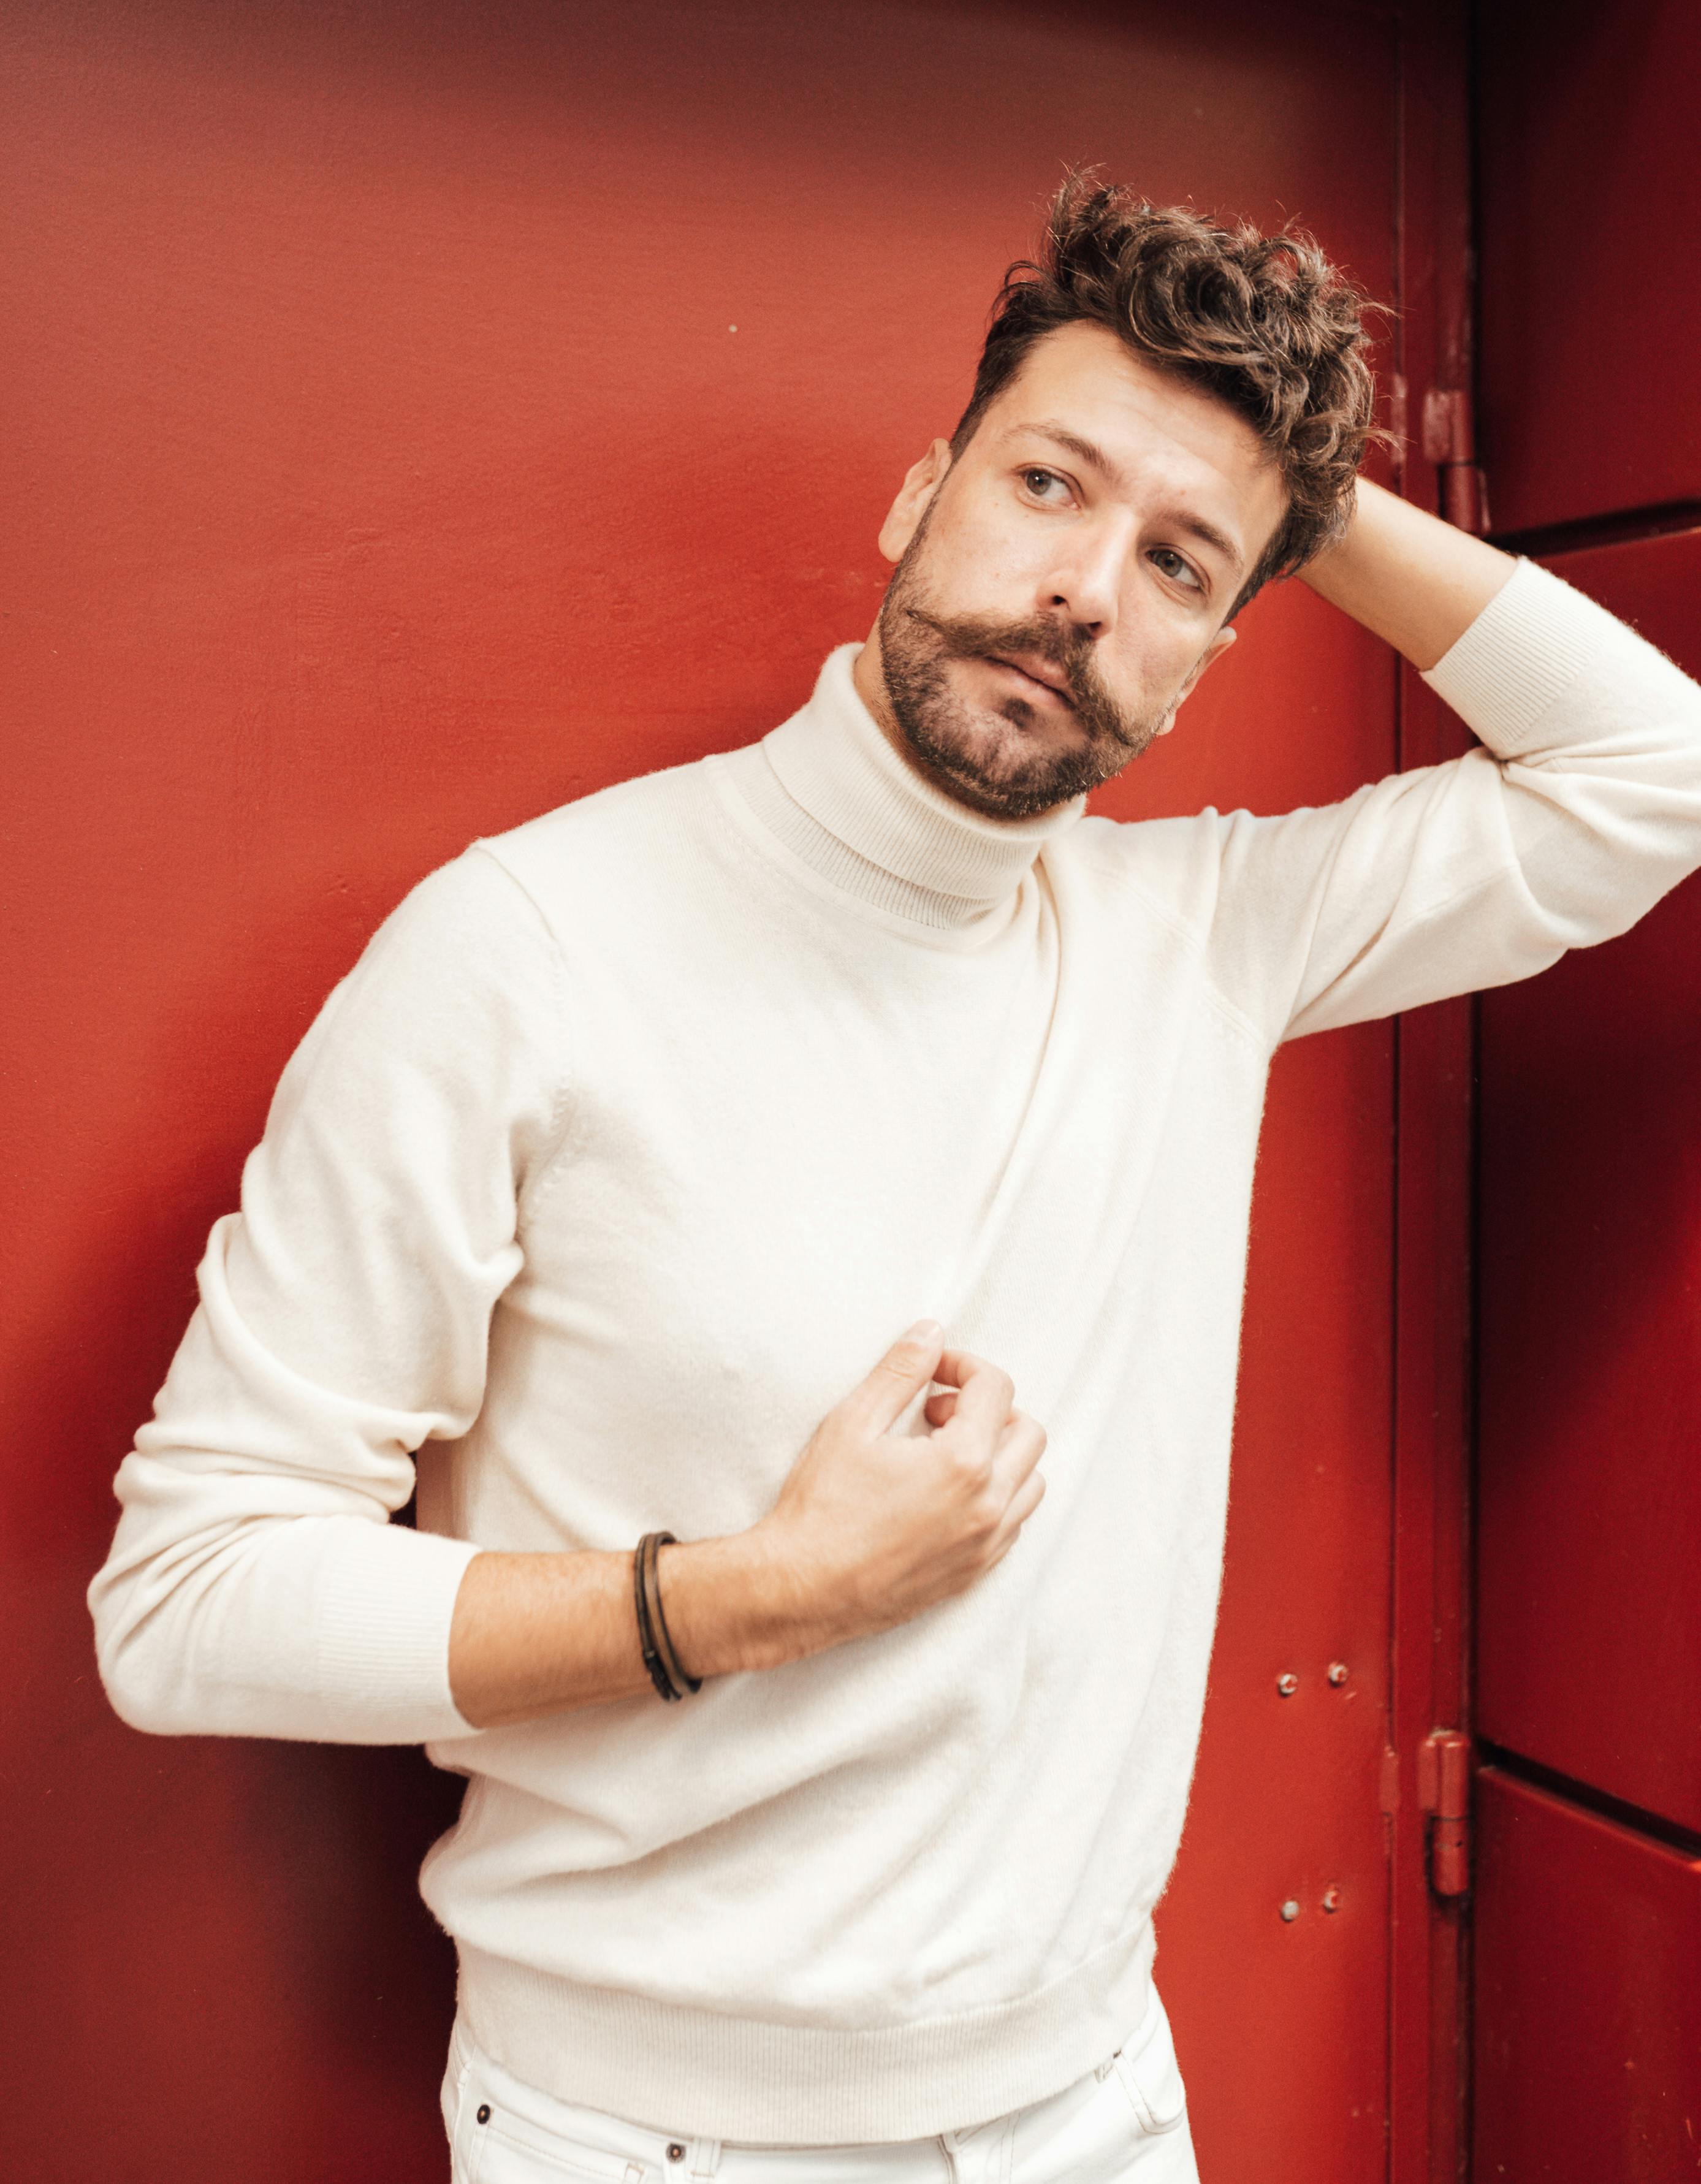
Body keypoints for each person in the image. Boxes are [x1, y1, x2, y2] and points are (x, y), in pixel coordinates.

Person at [91, 178, 1701, 2184]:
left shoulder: (1202, 934)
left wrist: (1300, 487)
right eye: (1047, 482)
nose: (1086, 589)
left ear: (1211, 652)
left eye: (1177, 562)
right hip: (642, 2138)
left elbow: (1659, 771)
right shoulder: (523, 948)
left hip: (1098, 2108)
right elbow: (189, 1598)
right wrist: (753, 1596)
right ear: (918, 494)